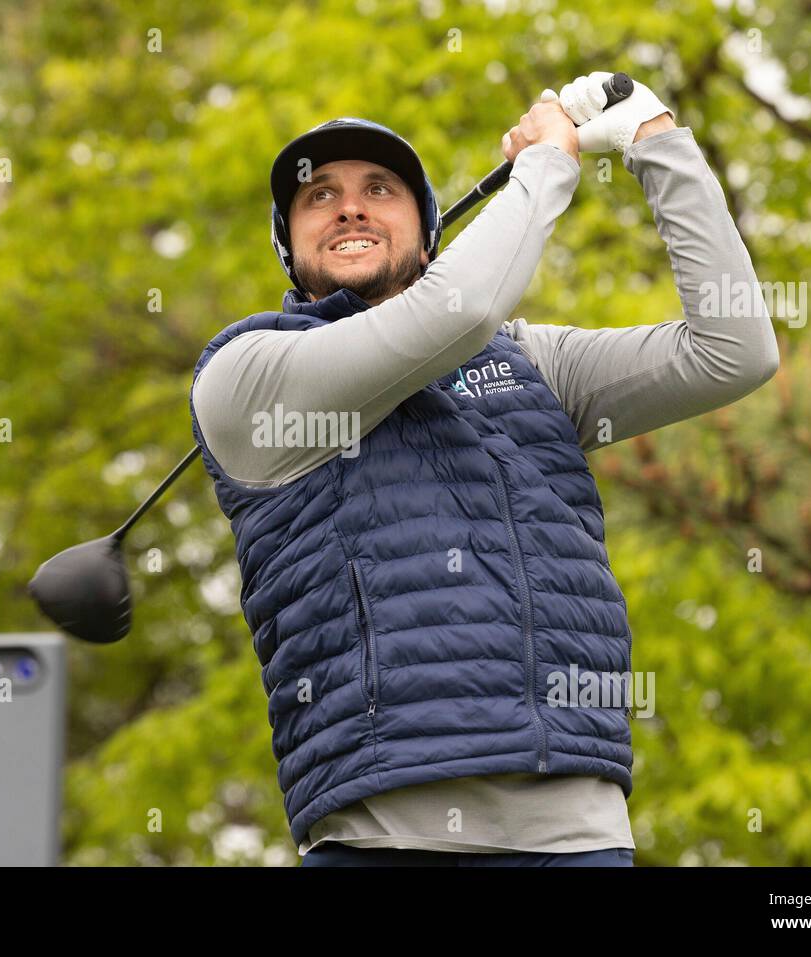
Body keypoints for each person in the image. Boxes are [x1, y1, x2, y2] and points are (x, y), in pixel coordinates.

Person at [188, 74, 780, 867]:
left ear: (428, 235)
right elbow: (459, 310)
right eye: (317, 194)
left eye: (380, 189)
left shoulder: (533, 362)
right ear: (289, 247)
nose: (350, 206)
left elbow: (733, 350)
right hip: (380, 841)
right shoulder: (245, 377)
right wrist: (548, 163)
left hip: (575, 837)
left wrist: (655, 141)